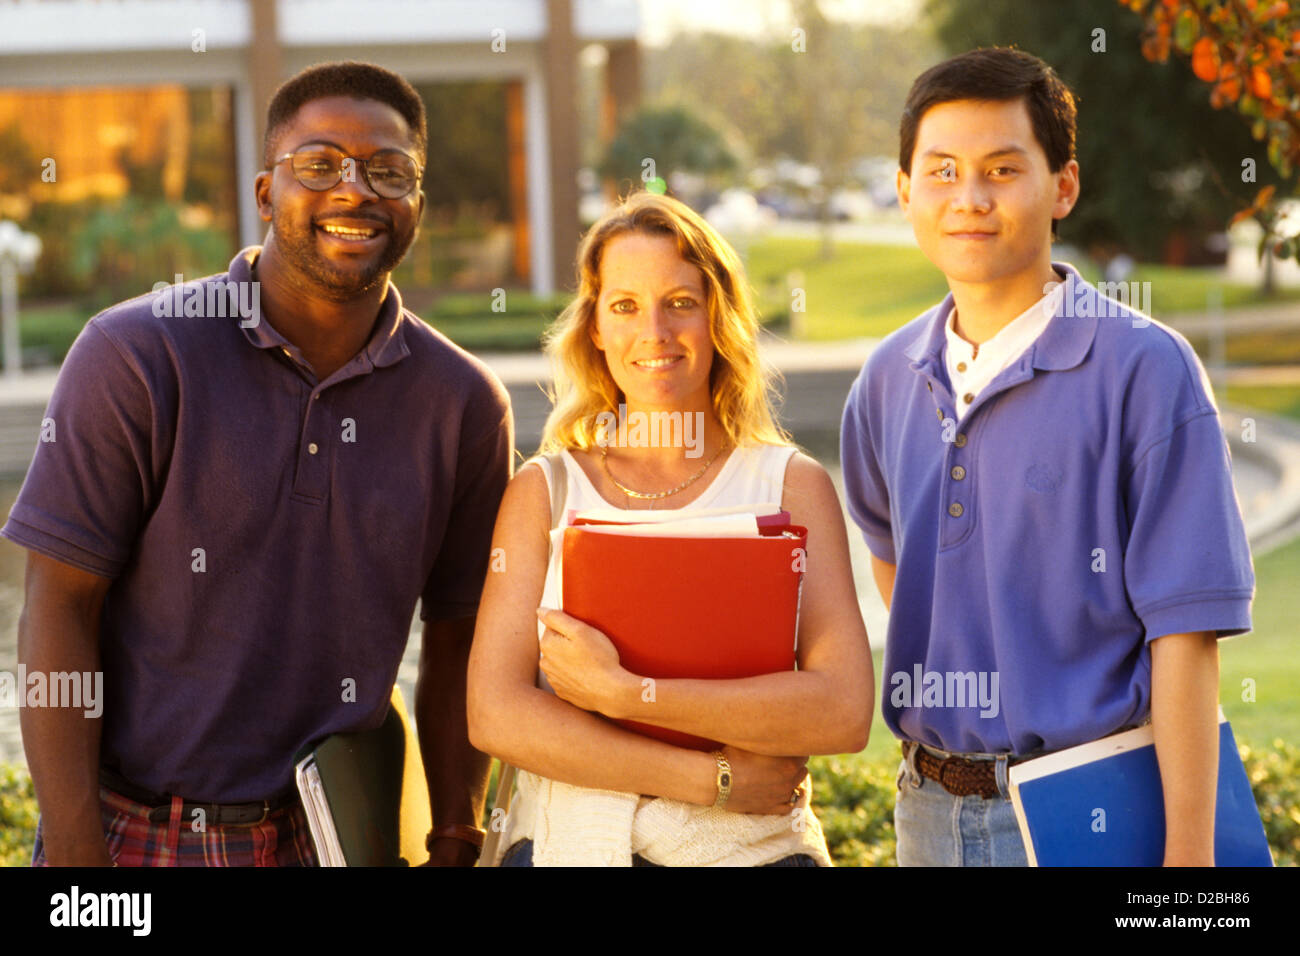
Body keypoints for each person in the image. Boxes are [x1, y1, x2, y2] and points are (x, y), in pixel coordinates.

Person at [5, 61, 511, 866]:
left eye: (389, 170)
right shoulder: (137, 354)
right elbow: (60, 606)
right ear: (267, 193)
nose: (356, 190)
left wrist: (454, 833)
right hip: (136, 836)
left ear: (417, 201)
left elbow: (460, 642)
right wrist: (71, 846)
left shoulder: (464, 404)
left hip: (343, 838)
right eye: (319, 164)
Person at [840, 47, 1254, 867]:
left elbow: (1185, 637)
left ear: (1062, 185)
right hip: (926, 810)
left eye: (1002, 170)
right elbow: (897, 566)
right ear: (904, 189)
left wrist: (1190, 862)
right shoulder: (886, 379)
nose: (970, 199)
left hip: (1094, 806)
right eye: (943, 171)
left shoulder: (1146, 369)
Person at [466, 191, 873, 866]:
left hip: (754, 855)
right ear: (594, 326)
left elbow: (843, 709)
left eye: (680, 302)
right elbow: (495, 713)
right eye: (624, 305)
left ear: (718, 317)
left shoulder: (793, 486)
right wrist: (708, 780)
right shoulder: (543, 490)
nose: (653, 330)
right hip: (571, 849)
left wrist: (624, 694)